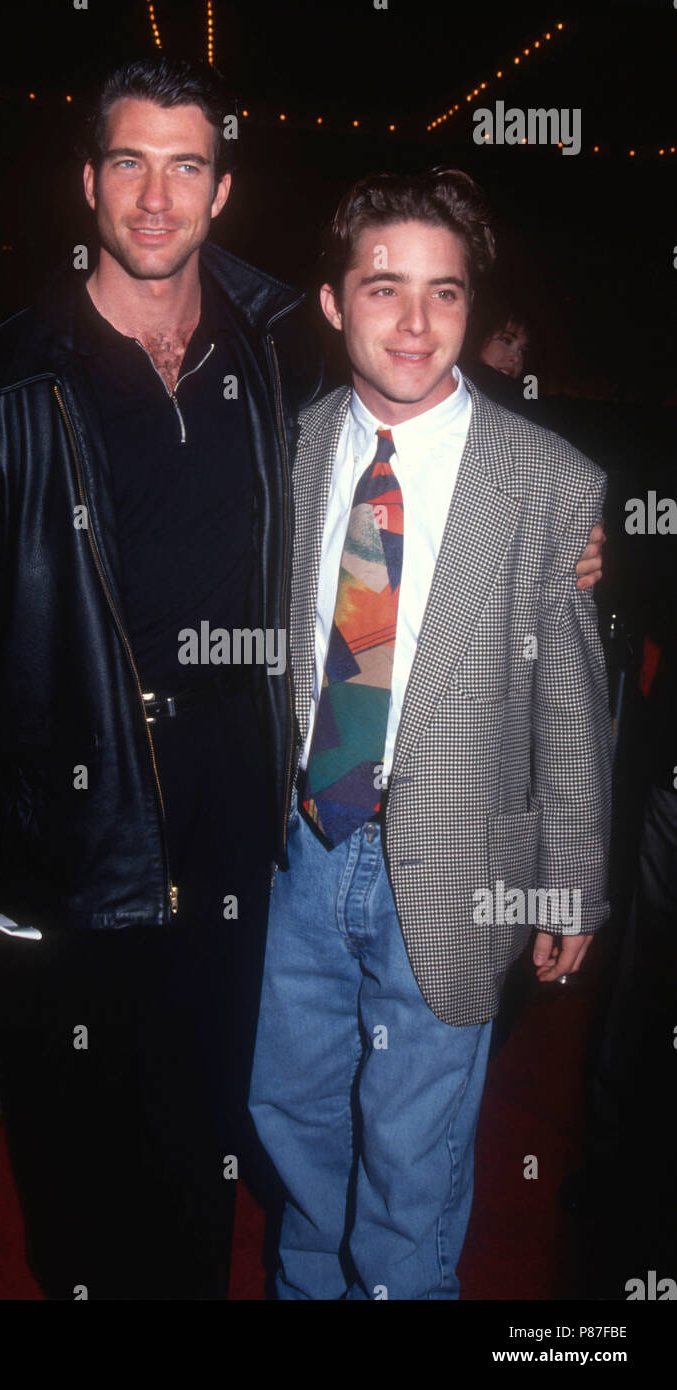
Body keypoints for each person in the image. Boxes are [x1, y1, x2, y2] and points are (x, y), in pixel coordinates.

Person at [0, 55, 323, 1301]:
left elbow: (414, 431)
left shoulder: (282, 349)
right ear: (89, 182)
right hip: (70, 826)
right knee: (77, 1150)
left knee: (202, 1132)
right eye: (130, 162)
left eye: (184, 165)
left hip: (233, 812)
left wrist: (558, 537)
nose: (157, 196)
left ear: (223, 187)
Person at [248, 168, 613, 1301]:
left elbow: (571, 701)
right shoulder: (286, 452)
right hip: (302, 847)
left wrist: (573, 882)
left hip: (458, 864)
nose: (414, 323)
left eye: (444, 294)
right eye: (384, 289)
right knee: (291, 1114)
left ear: (472, 305)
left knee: (414, 1153)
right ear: (331, 303)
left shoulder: (550, 480)